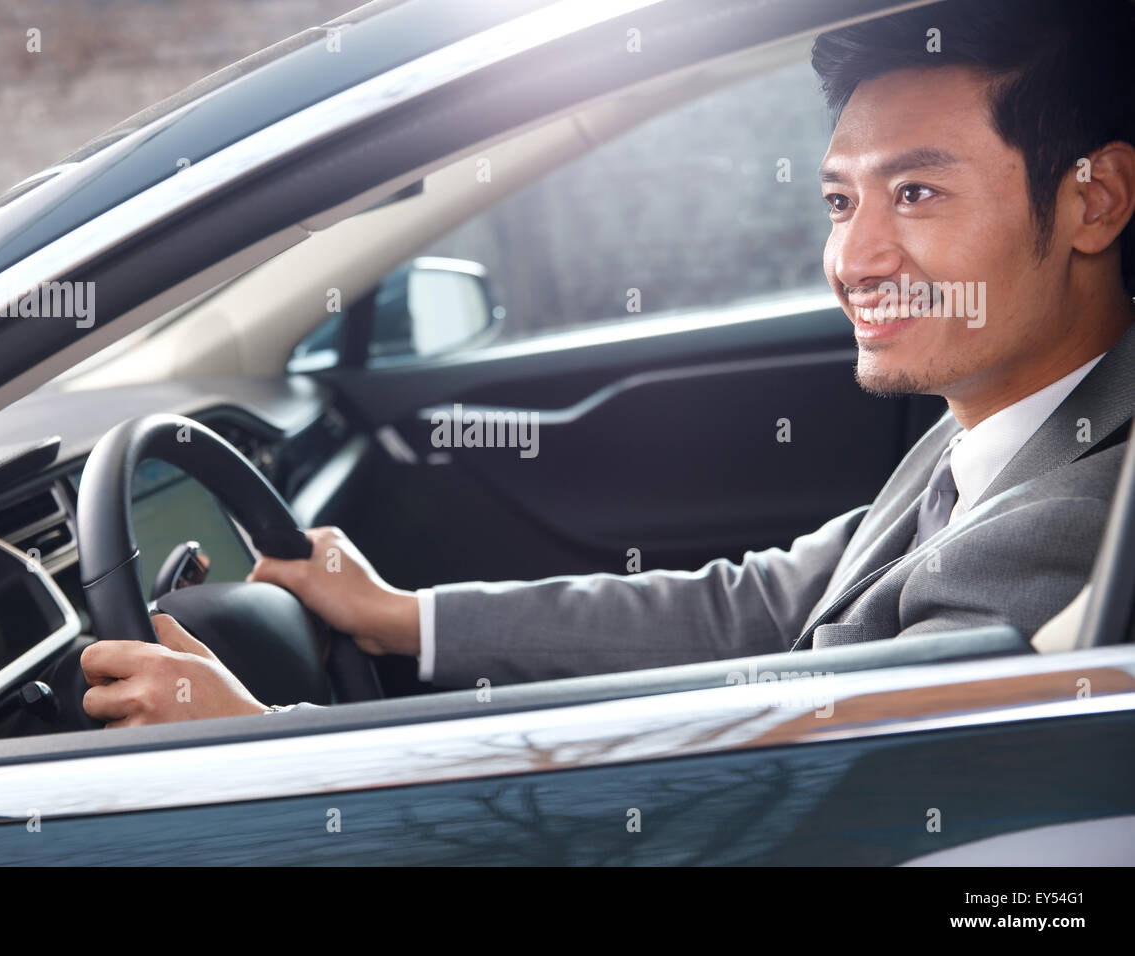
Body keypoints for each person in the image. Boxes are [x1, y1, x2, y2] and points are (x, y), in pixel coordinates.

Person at [81, 0, 1135, 727]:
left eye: (915, 193)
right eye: (838, 200)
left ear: (1093, 201)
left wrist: (265, 744)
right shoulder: (1000, 426)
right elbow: (760, 609)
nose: (852, 259)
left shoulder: (1074, 521)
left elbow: (794, 803)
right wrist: (400, 612)